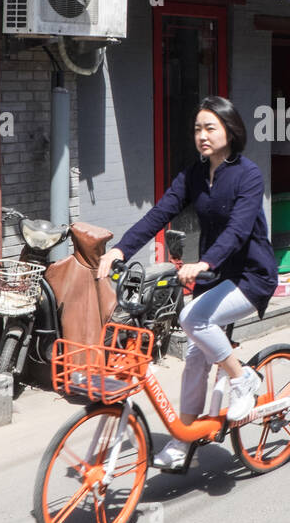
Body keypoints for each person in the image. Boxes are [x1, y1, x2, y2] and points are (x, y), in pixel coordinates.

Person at [98, 96, 278, 469]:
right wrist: (121, 250)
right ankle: (185, 437)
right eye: (198, 128)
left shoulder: (248, 174)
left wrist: (204, 261)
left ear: (231, 131)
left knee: (193, 320)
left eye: (210, 127)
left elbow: (238, 230)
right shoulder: (194, 174)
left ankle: (243, 379)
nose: (202, 135)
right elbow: (160, 213)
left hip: (250, 276)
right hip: (214, 275)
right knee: (196, 356)